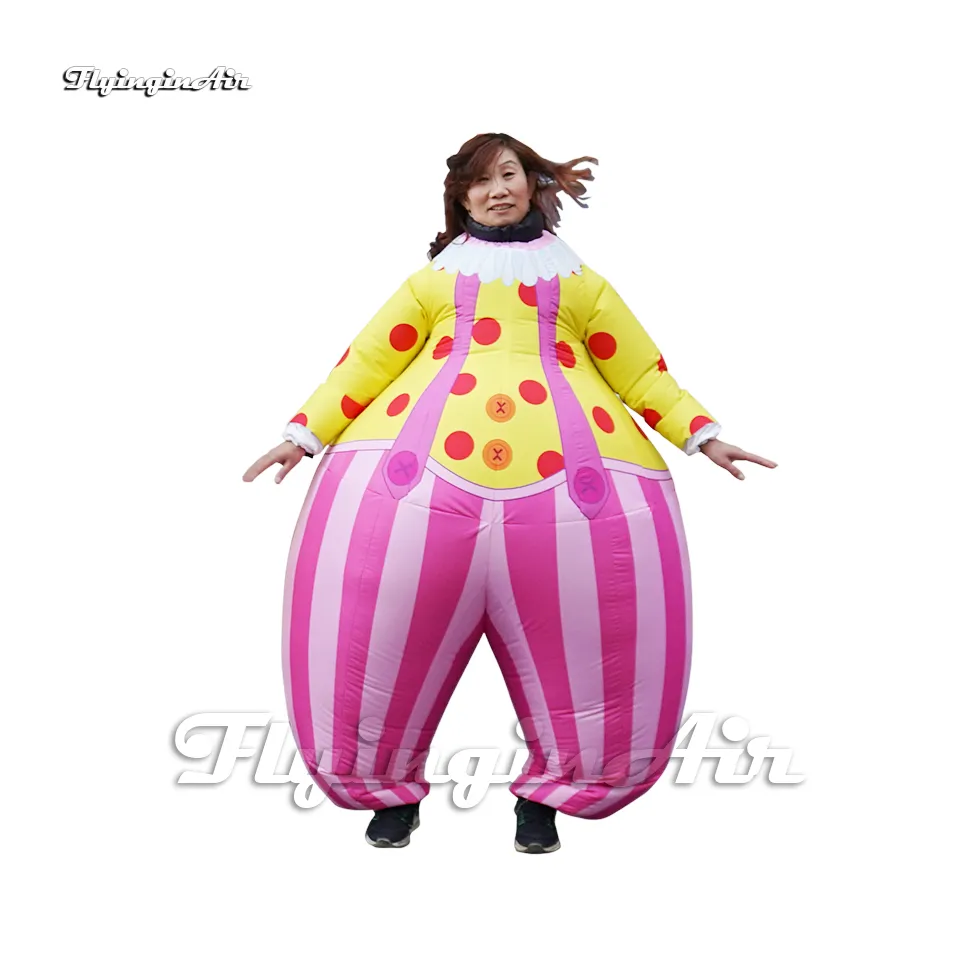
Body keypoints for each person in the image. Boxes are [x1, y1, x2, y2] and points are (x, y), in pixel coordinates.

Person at [243, 132, 777, 853]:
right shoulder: (433, 285)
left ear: (533, 184)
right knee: (375, 643)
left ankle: (546, 800)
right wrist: (303, 434)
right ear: (461, 196)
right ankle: (387, 796)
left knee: (597, 662)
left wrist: (702, 434)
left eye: (510, 175)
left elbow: (639, 370)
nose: (498, 191)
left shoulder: (580, 285)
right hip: (415, 487)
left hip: (576, 499)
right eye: (481, 181)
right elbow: (367, 361)